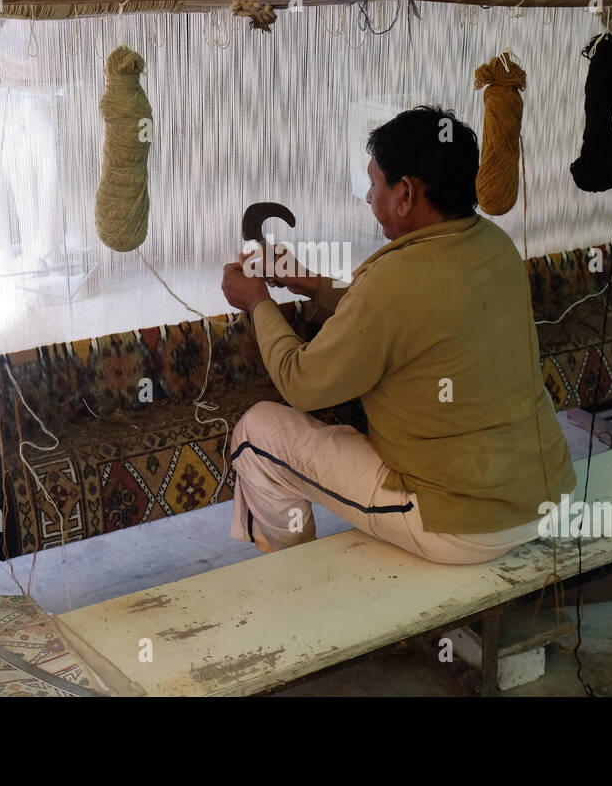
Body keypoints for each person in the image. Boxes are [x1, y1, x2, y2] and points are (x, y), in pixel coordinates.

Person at [220, 105, 575, 565]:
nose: (369, 197)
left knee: (255, 433)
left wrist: (257, 303)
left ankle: (296, 582)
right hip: (546, 495)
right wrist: (308, 282)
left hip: (459, 526)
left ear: (406, 193)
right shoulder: (495, 246)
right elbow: (408, 310)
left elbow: (302, 383)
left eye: (374, 183)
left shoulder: (393, 279)